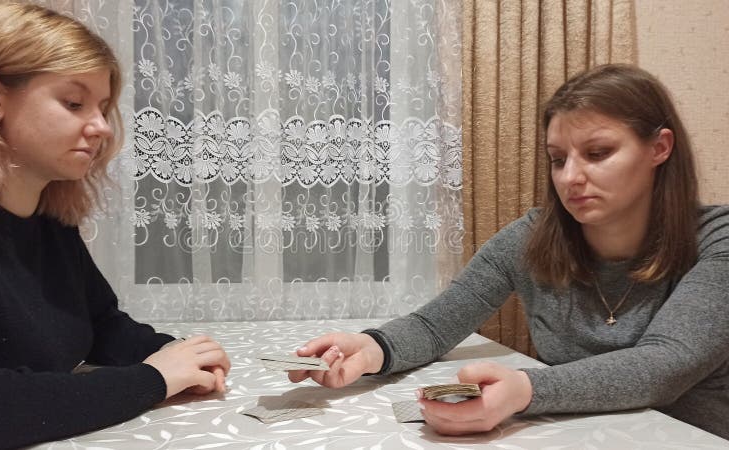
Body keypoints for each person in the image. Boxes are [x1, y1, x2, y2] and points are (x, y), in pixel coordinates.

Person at [289, 63, 729, 438]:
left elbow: (664, 366)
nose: (570, 177)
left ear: (659, 148)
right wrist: (371, 349)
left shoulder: (717, 239)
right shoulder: (533, 236)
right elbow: (435, 325)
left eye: (597, 153)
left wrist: (526, 390)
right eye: (558, 159)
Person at [0, 4, 230, 448]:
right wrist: (153, 379)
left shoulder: (48, 216)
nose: (101, 127)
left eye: (104, 108)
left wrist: (176, 353)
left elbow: (102, 326)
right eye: (74, 103)